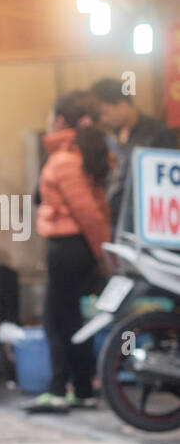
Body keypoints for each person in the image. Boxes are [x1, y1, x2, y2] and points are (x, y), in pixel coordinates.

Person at [25, 91, 112, 414]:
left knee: (58, 320)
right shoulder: (82, 156)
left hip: (69, 248)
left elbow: (88, 213)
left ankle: (60, 389)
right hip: (78, 248)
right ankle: (83, 388)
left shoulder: (65, 160)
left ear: (61, 120)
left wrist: (104, 255)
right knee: (73, 319)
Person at [89, 78, 178, 234]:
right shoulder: (108, 137)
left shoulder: (157, 134)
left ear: (123, 104)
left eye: (105, 112)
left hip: (143, 224)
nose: (103, 119)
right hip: (114, 223)